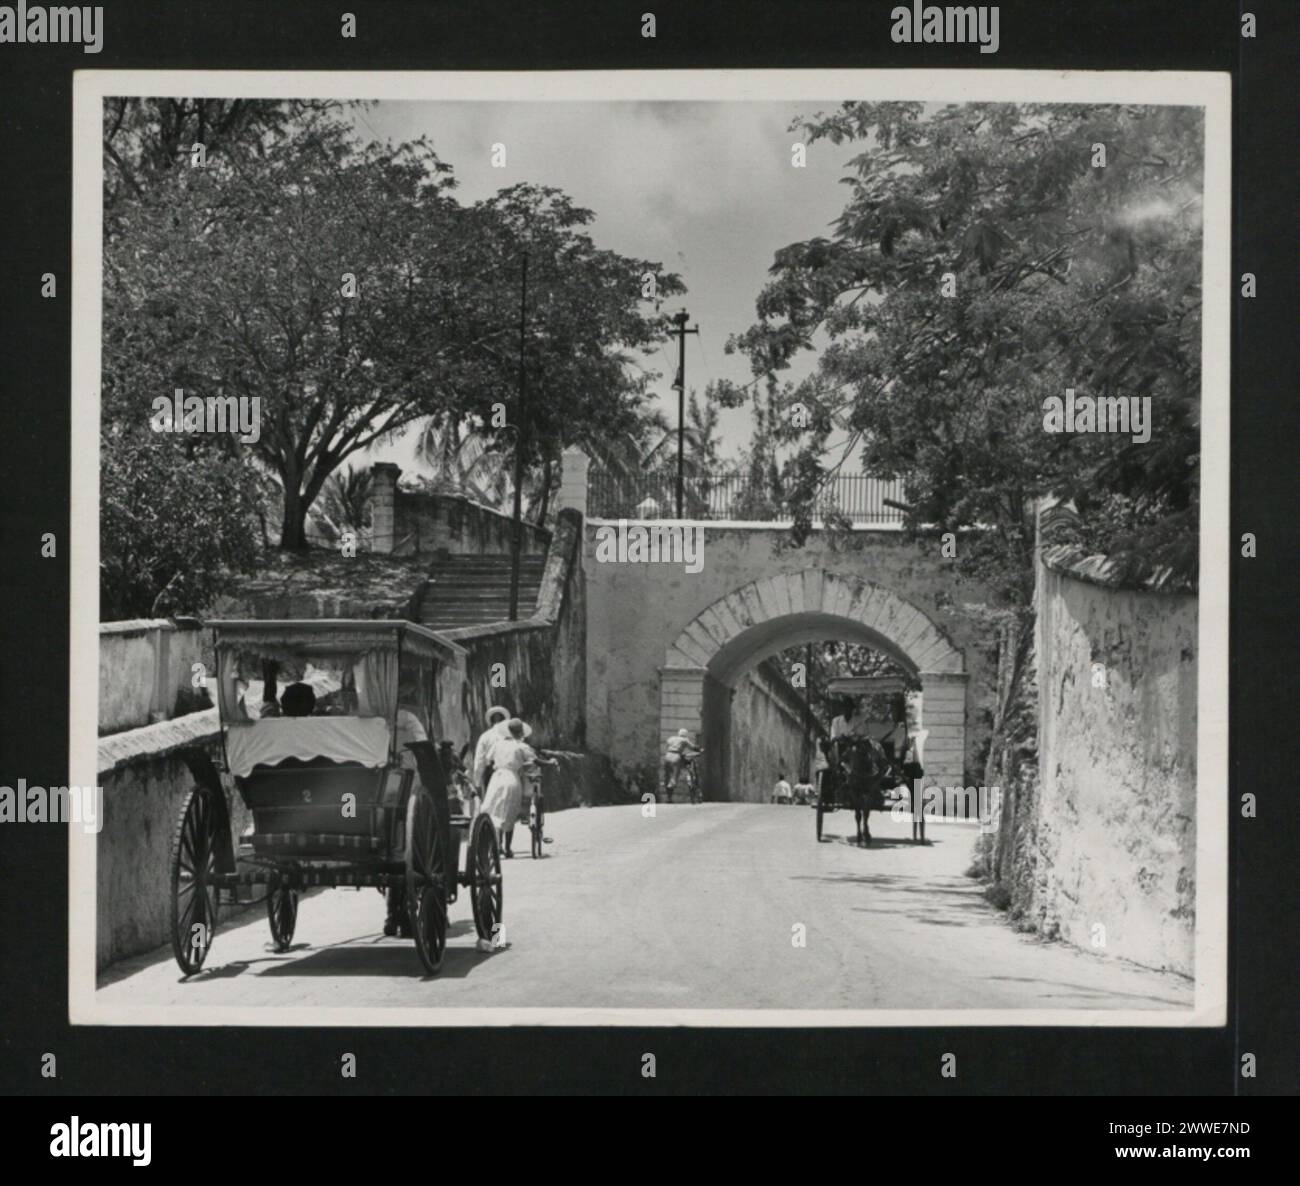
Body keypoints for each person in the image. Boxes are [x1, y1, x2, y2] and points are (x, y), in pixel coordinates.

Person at [481, 719, 553, 858]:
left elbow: (488, 761)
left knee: (495, 812)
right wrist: (550, 762)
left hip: (497, 778)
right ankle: (507, 848)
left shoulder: (498, 744)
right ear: (521, 732)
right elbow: (536, 761)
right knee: (510, 814)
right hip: (511, 779)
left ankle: (497, 845)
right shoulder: (522, 746)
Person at [661, 728, 701, 803]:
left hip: (667, 756)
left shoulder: (671, 738)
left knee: (667, 776)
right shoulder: (684, 740)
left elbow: (667, 746)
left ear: (678, 734)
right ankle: (671, 786)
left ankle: (669, 798)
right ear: (686, 735)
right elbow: (693, 747)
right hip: (676, 756)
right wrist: (700, 749)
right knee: (674, 776)